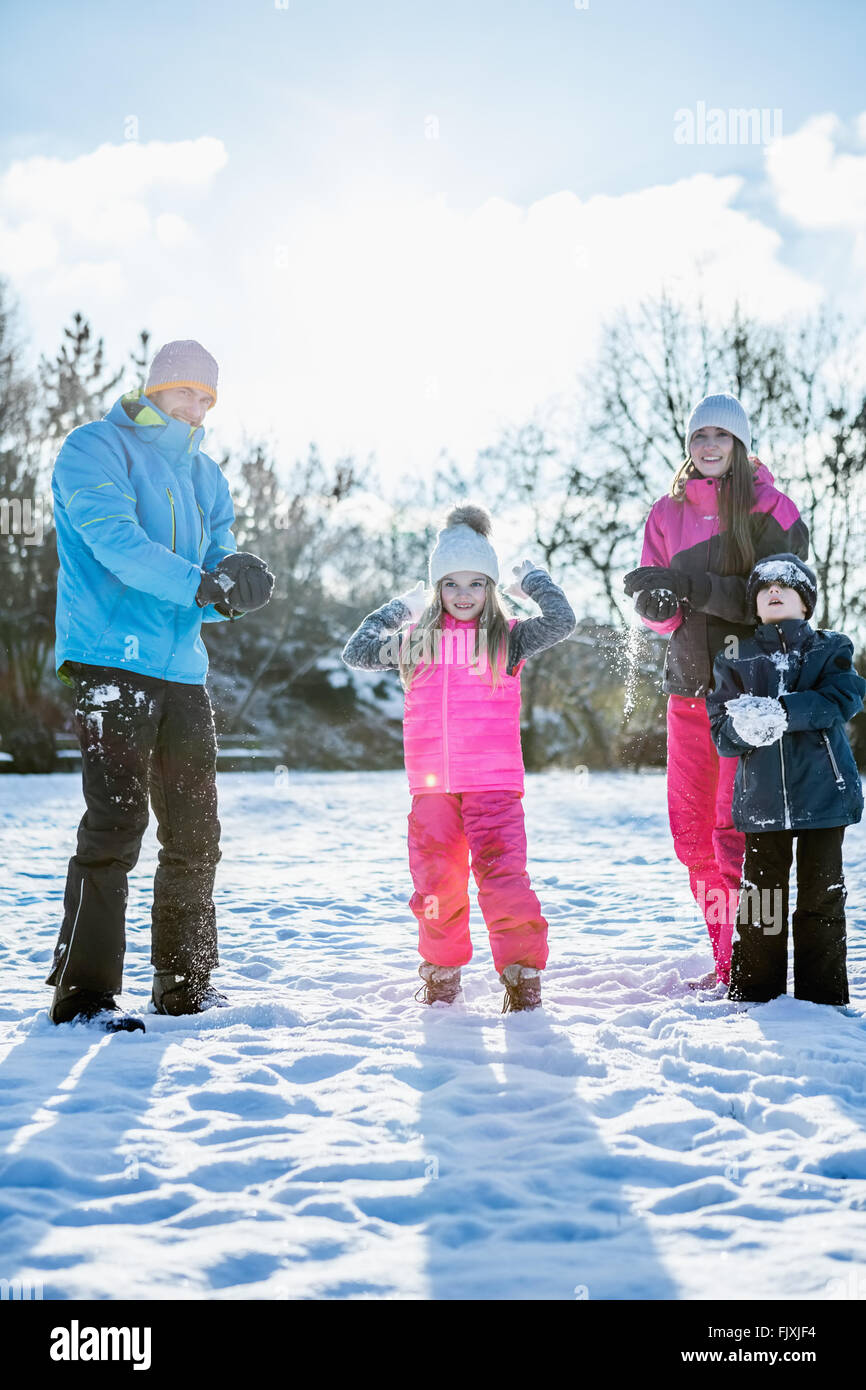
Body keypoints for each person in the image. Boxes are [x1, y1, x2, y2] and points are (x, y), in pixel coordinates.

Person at [46, 340, 275, 1028]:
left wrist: (233, 584)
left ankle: (185, 981)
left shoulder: (207, 477)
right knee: (117, 822)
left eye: (207, 398)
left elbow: (210, 565)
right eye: (186, 392)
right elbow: (113, 542)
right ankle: (82, 994)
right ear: (154, 389)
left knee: (195, 831)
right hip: (111, 658)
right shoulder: (96, 447)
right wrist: (200, 584)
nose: (196, 406)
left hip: (181, 671)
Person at [341, 504, 575, 1012]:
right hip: (431, 788)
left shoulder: (508, 639)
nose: (463, 594)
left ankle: (521, 973)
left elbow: (563, 620)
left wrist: (534, 581)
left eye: (476, 583)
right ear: (436, 589)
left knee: (503, 878)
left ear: (491, 588)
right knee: (435, 883)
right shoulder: (416, 643)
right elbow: (356, 651)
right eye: (451, 584)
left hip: (493, 784)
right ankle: (442, 972)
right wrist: (397, 610)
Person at [623, 393, 808, 990]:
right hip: (687, 690)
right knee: (693, 835)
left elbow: (778, 603)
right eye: (699, 436)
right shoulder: (665, 512)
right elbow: (665, 615)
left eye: (720, 437)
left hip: (753, 697)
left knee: (738, 835)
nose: (708, 446)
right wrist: (657, 603)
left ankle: (760, 964)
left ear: (739, 444)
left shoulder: (772, 509)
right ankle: (731, 963)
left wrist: (691, 586)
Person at [707, 555, 865, 1005]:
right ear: (755, 603)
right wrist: (744, 727)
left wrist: (783, 713)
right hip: (763, 801)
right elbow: (721, 731)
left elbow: (843, 697)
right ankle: (755, 993)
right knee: (762, 901)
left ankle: (823, 997)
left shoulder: (831, 647)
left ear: (806, 601)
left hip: (825, 795)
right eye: (764, 587)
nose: (774, 591)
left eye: (786, 585)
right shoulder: (735, 655)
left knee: (821, 896)